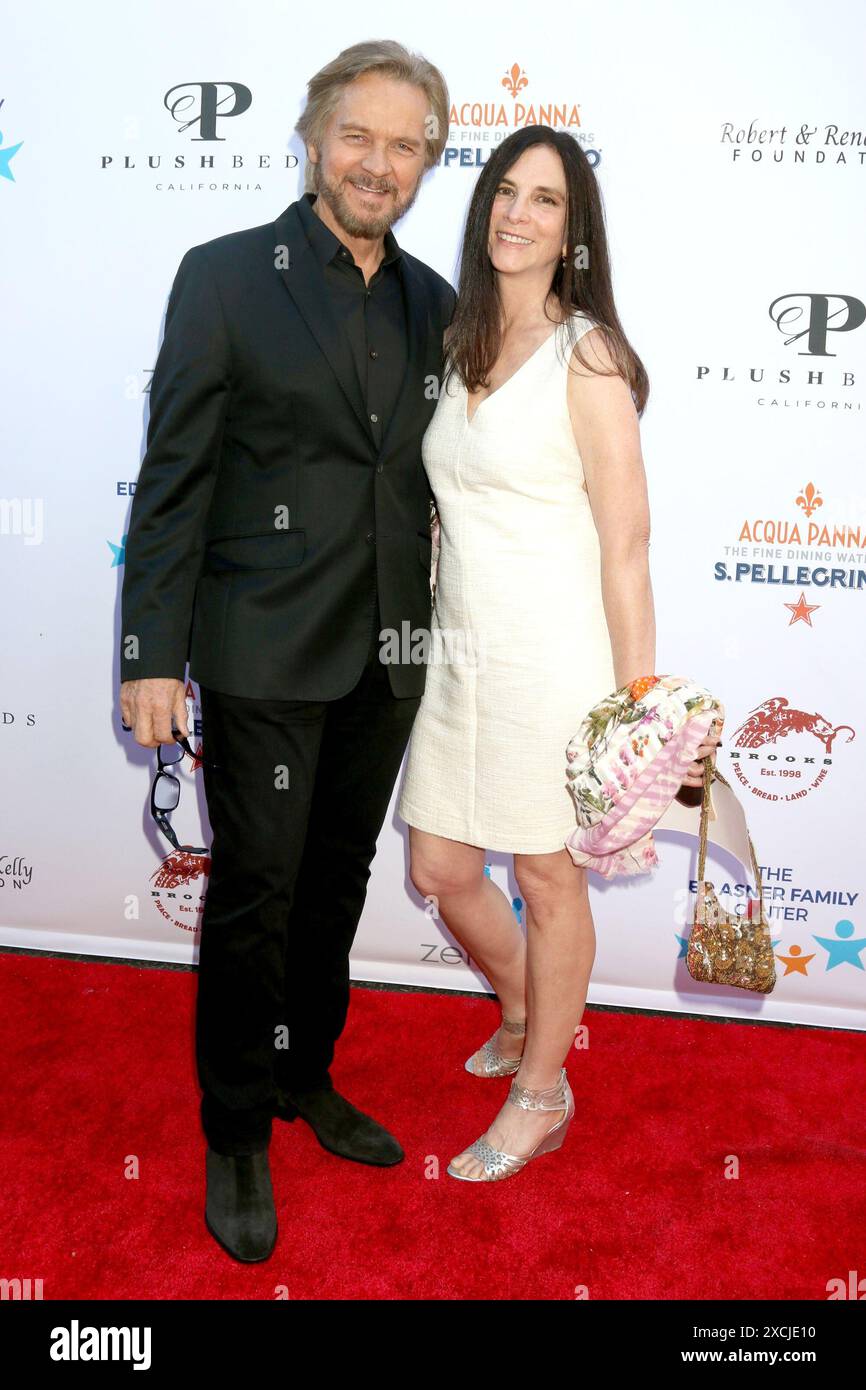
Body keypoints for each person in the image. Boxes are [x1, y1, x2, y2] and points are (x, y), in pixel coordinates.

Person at [119, 40, 455, 1260]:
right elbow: (173, 480)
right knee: (257, 893)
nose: (380, 163)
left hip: (387, 648)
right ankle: (233, 1128)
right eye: (359, 136)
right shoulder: (224, 278)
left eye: (406, 145)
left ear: (426, 162)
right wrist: (152, 649)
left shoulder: (433, 302)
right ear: (314, 139)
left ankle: (303, 1074)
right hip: (260, 641)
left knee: (336, 882)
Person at [396, 126, 721, 1182]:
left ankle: (542, 1089)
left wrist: (638, 709)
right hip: (459, 655)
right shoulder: (457, 341)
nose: (515, 214)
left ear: (572, 233)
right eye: (504, 192)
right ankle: (529, 1006)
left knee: (545, 874)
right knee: (439, 866)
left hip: (553, 657)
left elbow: (625, 544)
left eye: (543, 200)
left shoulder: (588, 355)